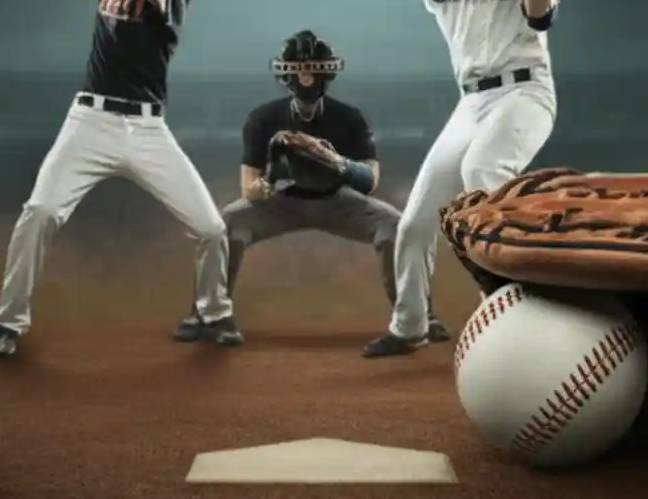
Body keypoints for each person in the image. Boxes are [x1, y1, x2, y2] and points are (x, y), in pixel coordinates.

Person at [0, 0, 237, 357]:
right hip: (88, 122)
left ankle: (214, 311)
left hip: (147, 132)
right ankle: (6, 322)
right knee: (39, 213)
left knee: (211, 229)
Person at [362, 0, 583, 358]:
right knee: (416, 223)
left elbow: (541, 19)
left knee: (481, 171)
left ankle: (506, 305)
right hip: (472, 103)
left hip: (526, 92)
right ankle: (409, 325)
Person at [171, 29, 452, 346]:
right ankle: (208, 314)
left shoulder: (349, 118)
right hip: (281, 201)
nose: (306, 76)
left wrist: (333, 161)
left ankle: (418, 314)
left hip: (336, 199)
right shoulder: (263, 119)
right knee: (224, 227)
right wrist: (272, 177)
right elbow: (249, 188)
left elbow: (370, 182)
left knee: (396, 229)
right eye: (300, 69)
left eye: (313, 68)